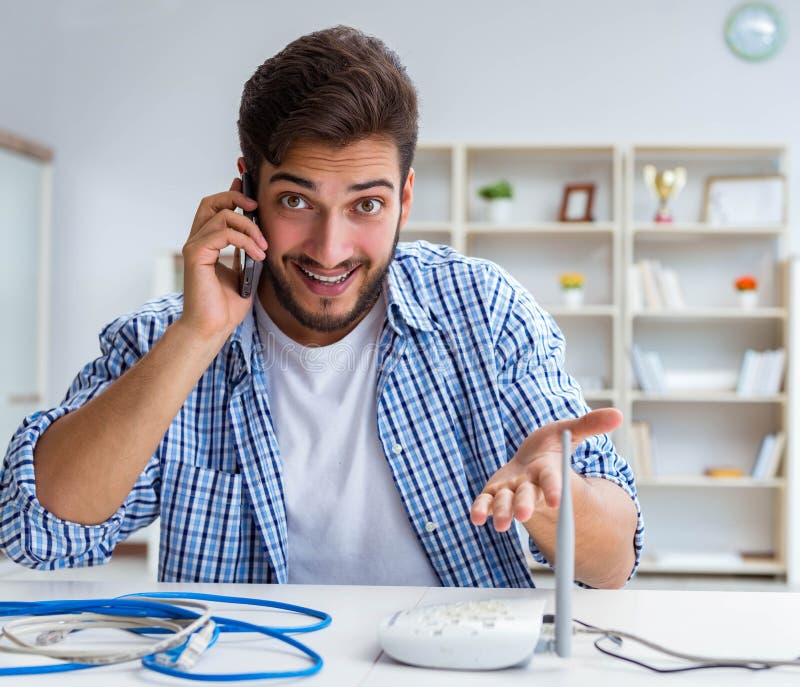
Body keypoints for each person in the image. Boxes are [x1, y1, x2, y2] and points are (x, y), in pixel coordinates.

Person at [0, 26, 641, 587]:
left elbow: (613, 563)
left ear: (405, 199)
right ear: (245, 191)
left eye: (366, 204)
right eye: (297, 201)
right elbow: (37, 533)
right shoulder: (166, 339)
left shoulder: (483, 311)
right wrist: (197, 337)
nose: (330, 250)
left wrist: (556, 500)